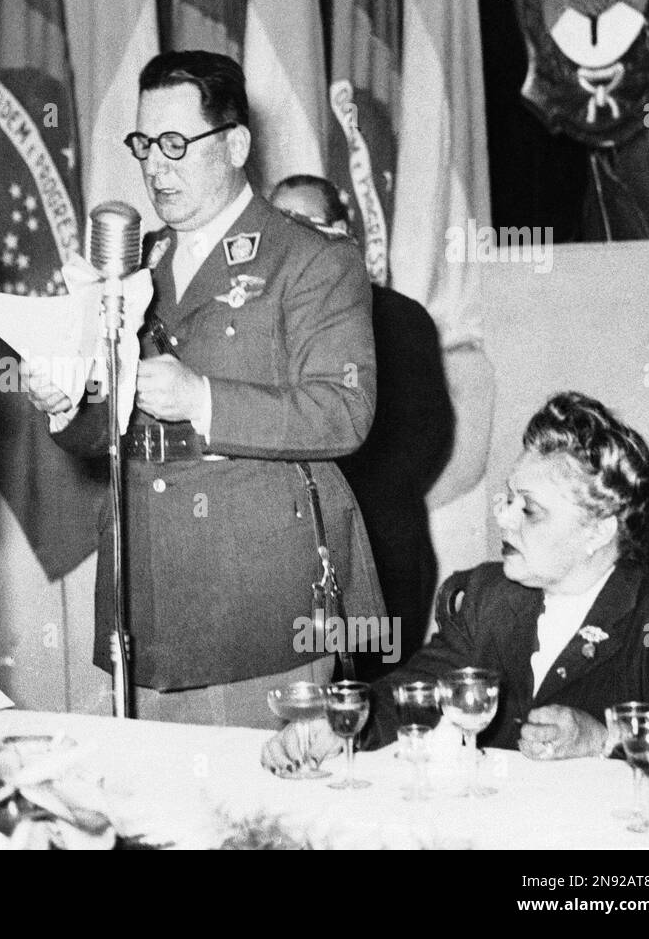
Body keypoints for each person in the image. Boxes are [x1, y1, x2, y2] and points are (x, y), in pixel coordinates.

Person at [24, 50, 384, 726]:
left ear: (237, 144)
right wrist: (70, 400)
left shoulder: (311, 259)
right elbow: (98, 434)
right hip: (146, 589)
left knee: (259, 818)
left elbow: (344, 411)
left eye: (175, 143)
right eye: (143, 145)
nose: (155, 166)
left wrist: (203, 399)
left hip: (258, 598)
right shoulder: (133, 266)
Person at [265, 392, 649, 771]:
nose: (504, 518)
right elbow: (419, 690)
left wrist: (603, 741)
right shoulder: (484, 596)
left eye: (529, 510)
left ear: (598, 531)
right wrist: (342, 720)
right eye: (508, 498)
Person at [271, 174, 455, 677]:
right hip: (287, 560)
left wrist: (337, 490)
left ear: (342, 232)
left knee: (372, 711)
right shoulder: (264, 324)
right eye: (278, 226)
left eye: (304, 224)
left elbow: (426, 440)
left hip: (380, 554)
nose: (291, 241)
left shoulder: (399, 317)